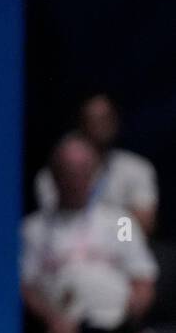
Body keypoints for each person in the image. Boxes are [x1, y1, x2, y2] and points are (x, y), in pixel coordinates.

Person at [22, 134, 159, 333]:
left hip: (118, 329)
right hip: (66, 331)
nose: (75, 180)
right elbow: (25, 286)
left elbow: (142, 275)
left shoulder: (119, 222)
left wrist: (135, 307)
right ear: (54, 176)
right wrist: (53, 320)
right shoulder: (34, 230)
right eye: (67, 172)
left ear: (93, 175)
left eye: (82, 172)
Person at [34, 94, 159, 236]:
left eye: (105, 118)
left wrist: (106, 235)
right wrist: (123, 217)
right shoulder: (53, 175)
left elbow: (141, 227)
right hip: (68, 252)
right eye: (92, 119)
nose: (100, 126)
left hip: (120, 249)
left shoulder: (137, 168)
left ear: (116, 122)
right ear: (80, 124)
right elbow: (59, 225)